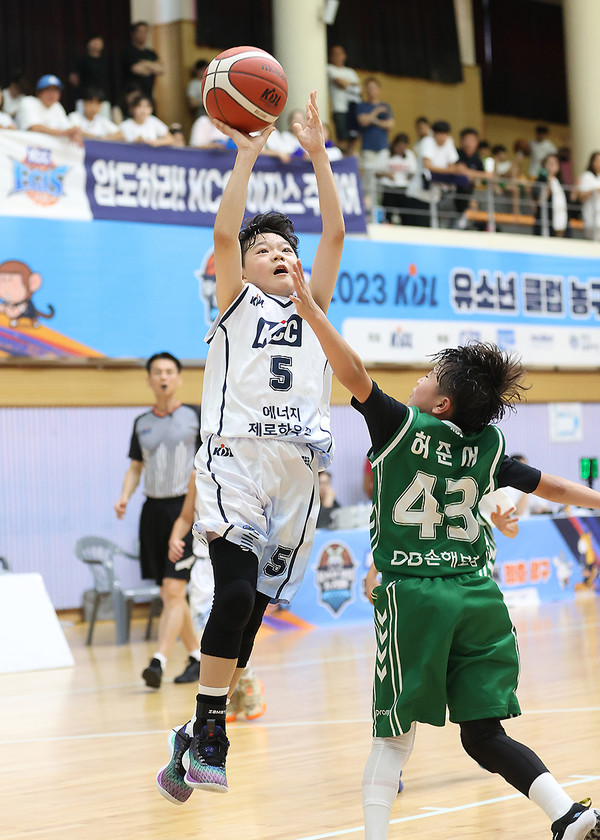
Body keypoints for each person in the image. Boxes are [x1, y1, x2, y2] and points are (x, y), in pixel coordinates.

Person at [288, 266, 600, 840]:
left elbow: (352, 372)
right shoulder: (489, 447)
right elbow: (552, 486)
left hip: (416, 596)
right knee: (484, 734)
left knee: (392, 736)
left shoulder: (401, 426)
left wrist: (312, 311)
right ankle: (569, 814)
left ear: (445, 402)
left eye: (430, 376)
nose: (418, 381)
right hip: (479, 595)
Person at [155, 90, 344, 803]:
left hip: (298, 475)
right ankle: (210, 731)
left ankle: (193, 737)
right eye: (265, 249)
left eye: (284, 250)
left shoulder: (314, 305)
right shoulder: (236, 302)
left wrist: (320, 155)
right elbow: (225, 232)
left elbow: (333, 237)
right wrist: (247, 154)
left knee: (252, 615)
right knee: (231, 592)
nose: (278, 256)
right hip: (234, 461)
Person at [114, 352, 202, 689]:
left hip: (185, 510)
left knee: (173, 588)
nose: (163, 377)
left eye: (169, 371)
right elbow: (136, 466)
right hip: (151, 511)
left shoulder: (196, 416)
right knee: (170, 596)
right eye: (157, 372)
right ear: (149, 379)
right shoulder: (141, 423)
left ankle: (158, 660)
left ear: (178, 378)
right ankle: (195, 656)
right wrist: (125, 495)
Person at [166, 473, 266, 722]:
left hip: (235, 558)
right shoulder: (198, 473)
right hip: (203, 562)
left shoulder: (244, 469)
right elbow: (186, 516)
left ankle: (247, 684)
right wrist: (175, 538)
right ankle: (224, 696)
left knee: (238, 624)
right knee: (207, 631)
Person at [14, 75, 83, 145]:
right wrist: (63, 133)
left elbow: (67, 128)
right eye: (48, 90)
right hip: (24, 148)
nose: (52, 95)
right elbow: (34, 128)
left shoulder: (57, 106)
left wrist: (74, 133)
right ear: (39, 92)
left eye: (56, 91)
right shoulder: (28, 101)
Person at [327, 45, 361, 155]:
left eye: (339, 54)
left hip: (352, 108)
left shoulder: (350, 72)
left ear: (344, 56)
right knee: (342, 139)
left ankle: (350, 160)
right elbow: (340, 83)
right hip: (339, 108)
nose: (337, 57)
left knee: (353, 138)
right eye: (334, 54)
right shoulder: (330, 68)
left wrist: (348, 84)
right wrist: (351, 84)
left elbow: (359, 87)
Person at [376, 132, 417, 223]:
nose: (401, 150)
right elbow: (376, 173)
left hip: (403, 189)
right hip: (388, 188)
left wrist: (410, 175)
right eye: (399, 147)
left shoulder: (409, 155)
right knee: (387, 213)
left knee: (405, 215)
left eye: (403, 147)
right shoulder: (384, 154)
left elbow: (414, 172)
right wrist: (386, 174)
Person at [68, 35, 111, 119]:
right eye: (93, 41)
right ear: (88, 44)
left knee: (103, 122)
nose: (96, 43)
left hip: (102, 98)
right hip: (85, 97)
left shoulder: (105, 61)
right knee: (82, 122)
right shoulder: (82, 59)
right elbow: (73, 78)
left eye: (98, 41)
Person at [356, 78, 395, 167]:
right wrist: (376, 112)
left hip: (383, 147)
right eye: (369, 88)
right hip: (368, 148)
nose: (371, 91)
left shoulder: (385, 106)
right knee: (369, 175)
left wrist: (374, 121)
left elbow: (390, 124)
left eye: (373, 88)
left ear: (379, 90)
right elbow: (363, 121)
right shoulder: (362, 106)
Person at [121, 21, 164, 101]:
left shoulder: (151, 53)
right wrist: (152, 66)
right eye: (140, 31)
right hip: (133, 95)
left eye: (145, 31)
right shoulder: (128, 51)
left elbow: (160, 70)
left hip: (149, 94)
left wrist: (144, 63)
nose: (143, 34)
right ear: (133, 33)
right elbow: (136, 69)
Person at [533, 152, 567, 237]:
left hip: (561, 220)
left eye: (554, 163)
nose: (552, 166)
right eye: (549, 163)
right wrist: (549, 183)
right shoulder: (540, 181)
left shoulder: (561, 182)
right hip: (546, 220)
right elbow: (540, 200)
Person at [573, 151, 600, 240]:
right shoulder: (586, 176)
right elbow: (581, 197)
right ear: (592, 162)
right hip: (591, 218)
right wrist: (594, 191)